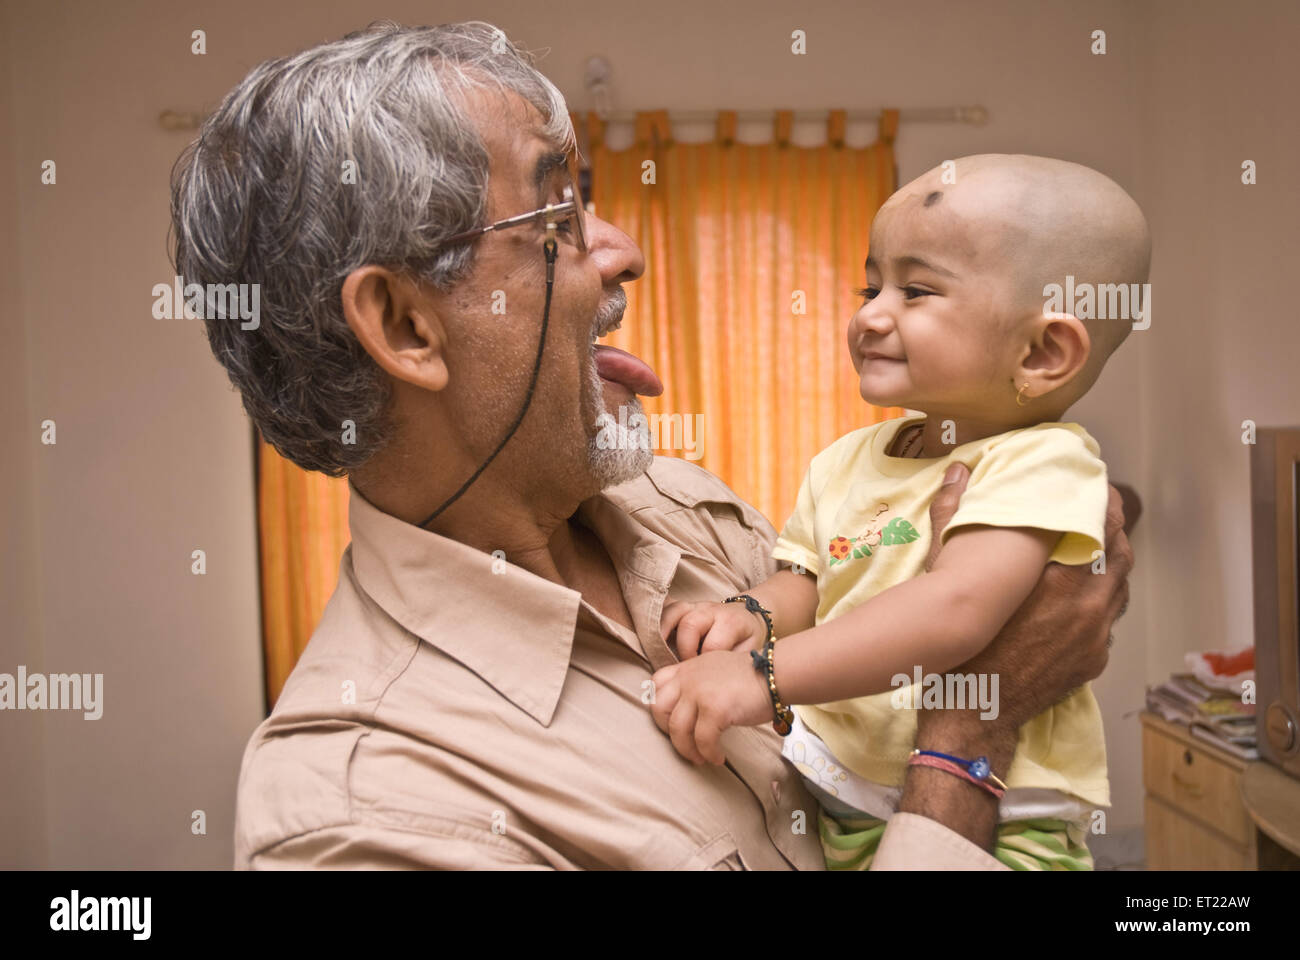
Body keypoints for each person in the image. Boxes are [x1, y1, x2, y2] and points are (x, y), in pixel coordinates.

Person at [169, 21, 1132, 869]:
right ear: (407, 328)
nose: (624, 249)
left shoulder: (683, 504)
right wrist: (970, 734)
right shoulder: (369, 810)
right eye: (559, 215)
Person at [651, 155, 1149, 870]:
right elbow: (810, 580)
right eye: (871, 284)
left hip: (1002, 819)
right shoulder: (847, 459)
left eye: (916, 290)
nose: (869, 314)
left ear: (1043, 350)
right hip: (849, 793)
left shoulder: (1044, 462)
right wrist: (753, 613)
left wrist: (761, 674)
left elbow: (957, 609)